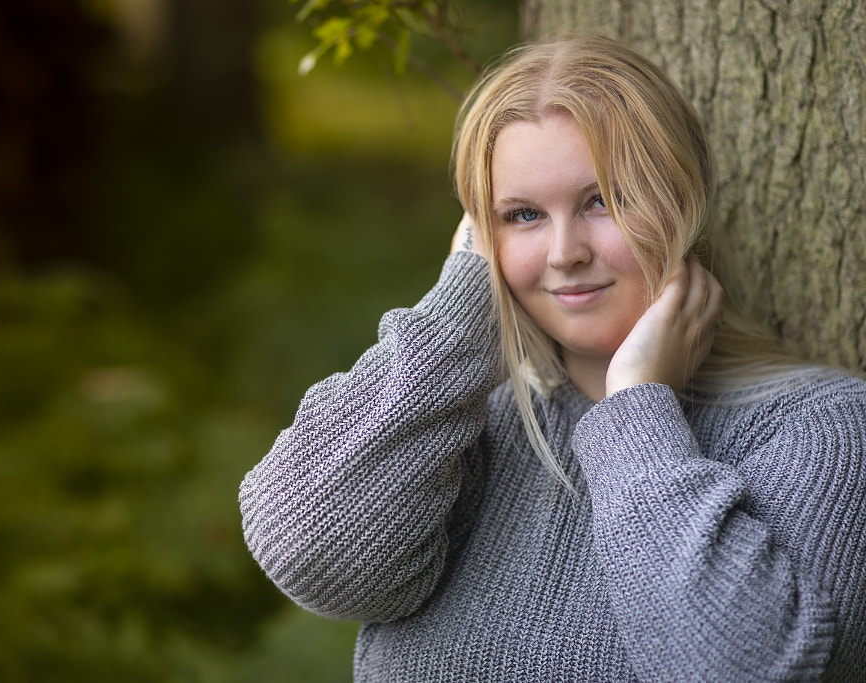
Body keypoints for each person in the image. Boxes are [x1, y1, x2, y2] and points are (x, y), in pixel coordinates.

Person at [239, 34, 866, 682]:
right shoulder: (461, 433)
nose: (565, 251)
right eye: (523, 214)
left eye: (604, 200)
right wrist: (458, 318)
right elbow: (309, 556)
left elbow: (742, 668)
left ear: (682, 198)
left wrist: (635, 407)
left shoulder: (823, 430)